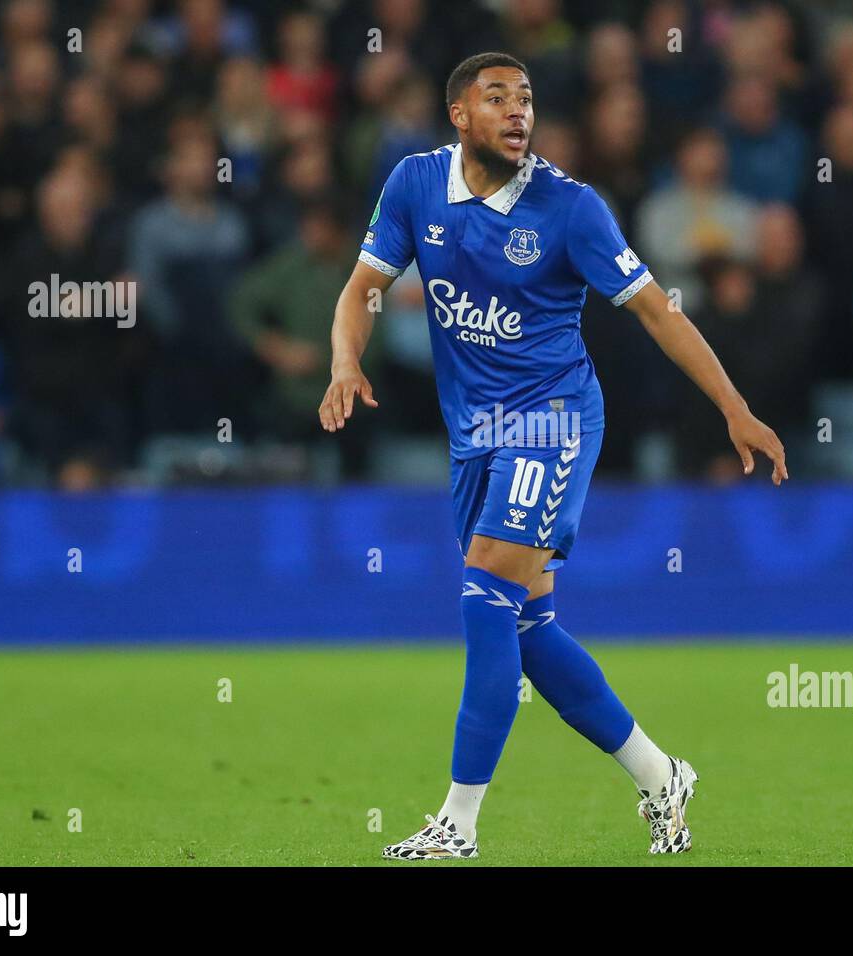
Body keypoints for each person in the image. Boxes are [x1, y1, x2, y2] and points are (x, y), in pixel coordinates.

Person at [319, 52, 786, 860]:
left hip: (552, 420)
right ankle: (660, 773)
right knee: (528, 626)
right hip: (475, 436)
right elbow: (364, 286)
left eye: (526, 97)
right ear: (459, 115)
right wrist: (344, 360)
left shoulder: (571, 209)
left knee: (483, 596)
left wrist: (733, 406)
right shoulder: (415, 185)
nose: (516, 110)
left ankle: (457, 824)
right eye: (495, 97)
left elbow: (657, 312)